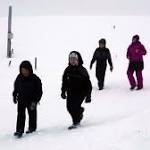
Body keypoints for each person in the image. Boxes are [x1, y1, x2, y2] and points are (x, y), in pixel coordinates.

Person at [61, 51, 92, 129]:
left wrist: (88, 95)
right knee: (69, 107)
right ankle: (80, 111)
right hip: (70, 92)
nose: (73, 61)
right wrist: (63, 91)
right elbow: (64, 82)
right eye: (71, 59)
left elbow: (88, 85)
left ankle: (76, 122)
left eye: (74, 59)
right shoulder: (67, 70)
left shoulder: (82, 70)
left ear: (78, 60)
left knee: (74, 107)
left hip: (81, 92)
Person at [13, 60, 43, 138]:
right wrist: (14, 95)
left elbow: (39, 91)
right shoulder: (19, 78)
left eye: (26, 70)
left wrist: (36, 101)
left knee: (32, 115)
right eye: (22, 70)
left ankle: (32, 128)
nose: (24, 72)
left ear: (30, 70)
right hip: (21, 100)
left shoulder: (35, 79)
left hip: (32, 101)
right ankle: (19, 130)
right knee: (20, 115)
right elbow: (16, 87)